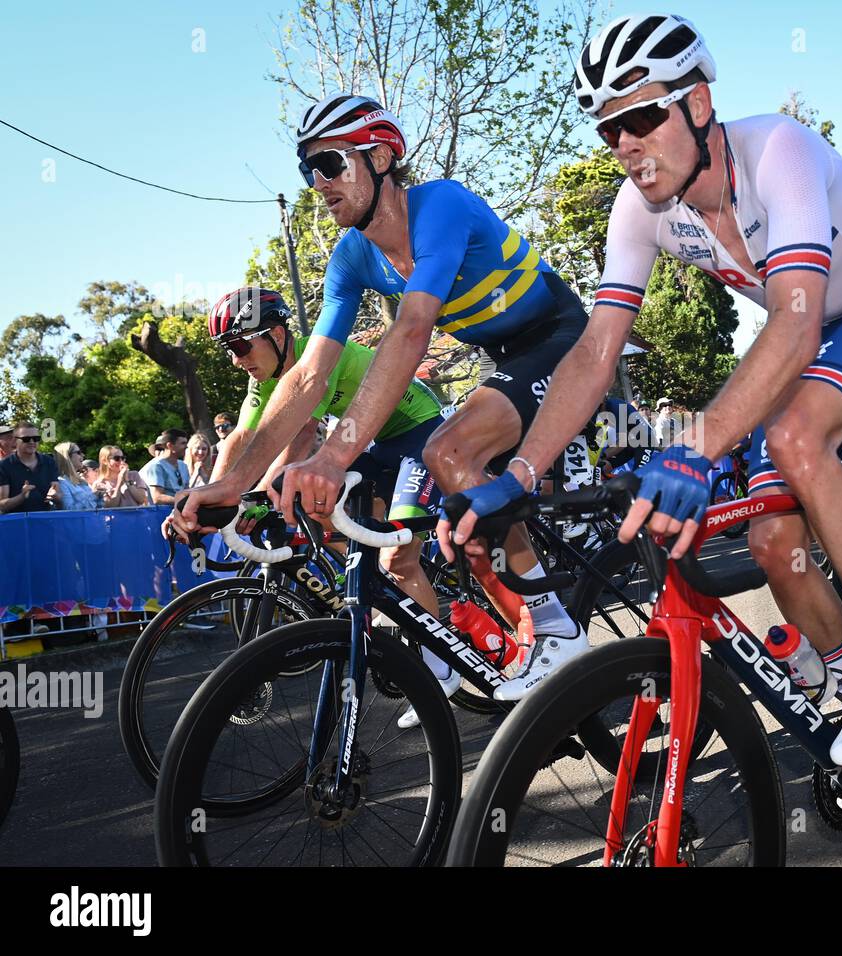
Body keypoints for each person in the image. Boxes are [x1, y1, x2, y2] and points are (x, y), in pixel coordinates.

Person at [441, 13, 842, 765]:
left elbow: (797, 321)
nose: (625, 145)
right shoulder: (639, 211)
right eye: (609, 130)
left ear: (698, 104)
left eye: (641, 116)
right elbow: (594, 351)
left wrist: (700, 446)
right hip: (808, 332)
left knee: (796, 435)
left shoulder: (779, 148)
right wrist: (520, 473)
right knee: (776, 542)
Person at [177, 95, 593, 703]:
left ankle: (556, 627)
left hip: (561, 335)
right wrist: (233, 484)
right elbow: (304, 380)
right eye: (308, 172)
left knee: (448, 450)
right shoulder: (351, 257)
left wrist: (331, 457)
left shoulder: (440, 206)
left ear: (379, 156)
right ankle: (502, 638)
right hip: (507, 358)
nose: (317, 185)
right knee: (459, 506)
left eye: (329, 165)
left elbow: (411, 331)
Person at [199, 287, 459, 714]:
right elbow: (241, 439)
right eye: (229, 349)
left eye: (241, 344)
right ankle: (378, 587)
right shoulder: (262, 381)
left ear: (278, 334)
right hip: (374, 445)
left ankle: (439, 669)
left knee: (400, 559)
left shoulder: (316, 356)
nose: (236, 358)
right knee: (318, 513)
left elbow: (302, 434)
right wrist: (209, 494)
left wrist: (261, 494)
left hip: (420, 435)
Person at [0, 423, 60, 513]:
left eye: (36, 438)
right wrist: (22, 496)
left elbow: (57, 494)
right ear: (15, 441)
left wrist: (55, 496)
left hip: (46, 521)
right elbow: (2, 506)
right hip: (17, 523)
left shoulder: (49, 462)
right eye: (26, 439)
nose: (32, 442)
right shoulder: (4, 466)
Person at [140, 429, 190, 505]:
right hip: (159, 514)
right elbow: (157, 498)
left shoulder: (183, 465)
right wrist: (184, 502)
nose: (186, 447)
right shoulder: (156, 466)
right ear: (169, 445)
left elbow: (186, 491)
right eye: (183, 443)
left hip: (178, 511)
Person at [49, 442, 101, 510]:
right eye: (78, 452)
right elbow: (69, 510)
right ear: (67, 456)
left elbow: (95, 507)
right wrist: (94, 495)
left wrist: (101, 496)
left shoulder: (82, 481)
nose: (83, 455)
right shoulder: (62, 483)